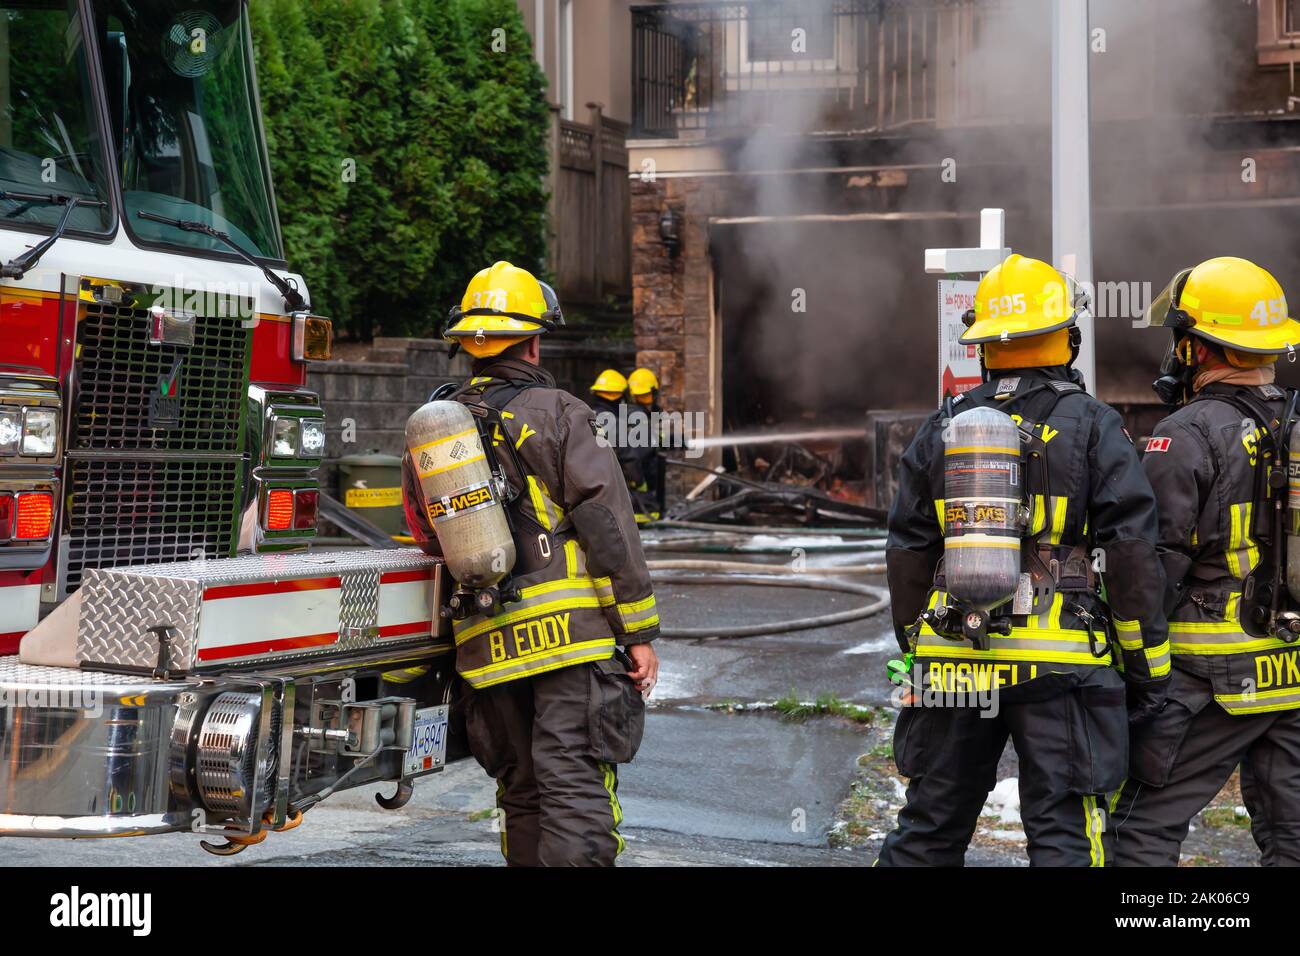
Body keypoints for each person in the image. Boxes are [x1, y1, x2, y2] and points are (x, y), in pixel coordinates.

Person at [877, 253, 1168, 867]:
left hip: (955, 660)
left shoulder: (944, 426)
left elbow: (907, 548)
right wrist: (1147, 667)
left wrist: (918, 648)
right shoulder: (1093, 425)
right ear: (1066, 338)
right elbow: (1133, 554)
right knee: (1063, 832)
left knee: (929, 827)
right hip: (1058, 667)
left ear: (983, 345)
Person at [401, 261, 660, 866]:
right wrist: (640, 631)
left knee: (521, 794)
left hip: (485, 645)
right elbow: (610, 527)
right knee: (573, 787)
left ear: (468, 343)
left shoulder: (434, 431)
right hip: (570, 641)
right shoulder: (562, 412)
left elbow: (425, 534)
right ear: (535, 339)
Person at [1113, 257, 1300, 866]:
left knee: (1139, 831)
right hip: (1290, 673)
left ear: (1197, 347)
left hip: (1208, 682)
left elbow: (1152, 565)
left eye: (1179, 340)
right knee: (1291, 838)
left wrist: (1134, 665)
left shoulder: (1184, 434)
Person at [624, 367, 666, 523]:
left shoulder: (632, 413)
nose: (646, 399)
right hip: (640, 486)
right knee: (649, 513)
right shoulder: (636, 416)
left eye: (646, 396)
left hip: (639, 484)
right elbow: (642, 448)